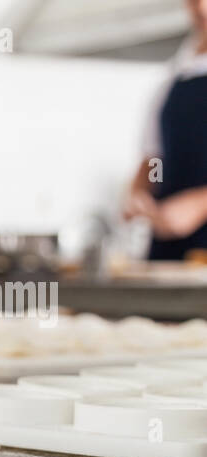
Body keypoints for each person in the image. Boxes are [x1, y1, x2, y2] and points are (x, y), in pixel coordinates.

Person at [124, 0, 207, 261]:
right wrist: (137, 195)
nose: (202, 9)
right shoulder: (172, 78)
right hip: (167, 253)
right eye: (194, 1)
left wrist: (200, 205)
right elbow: (154, 159)